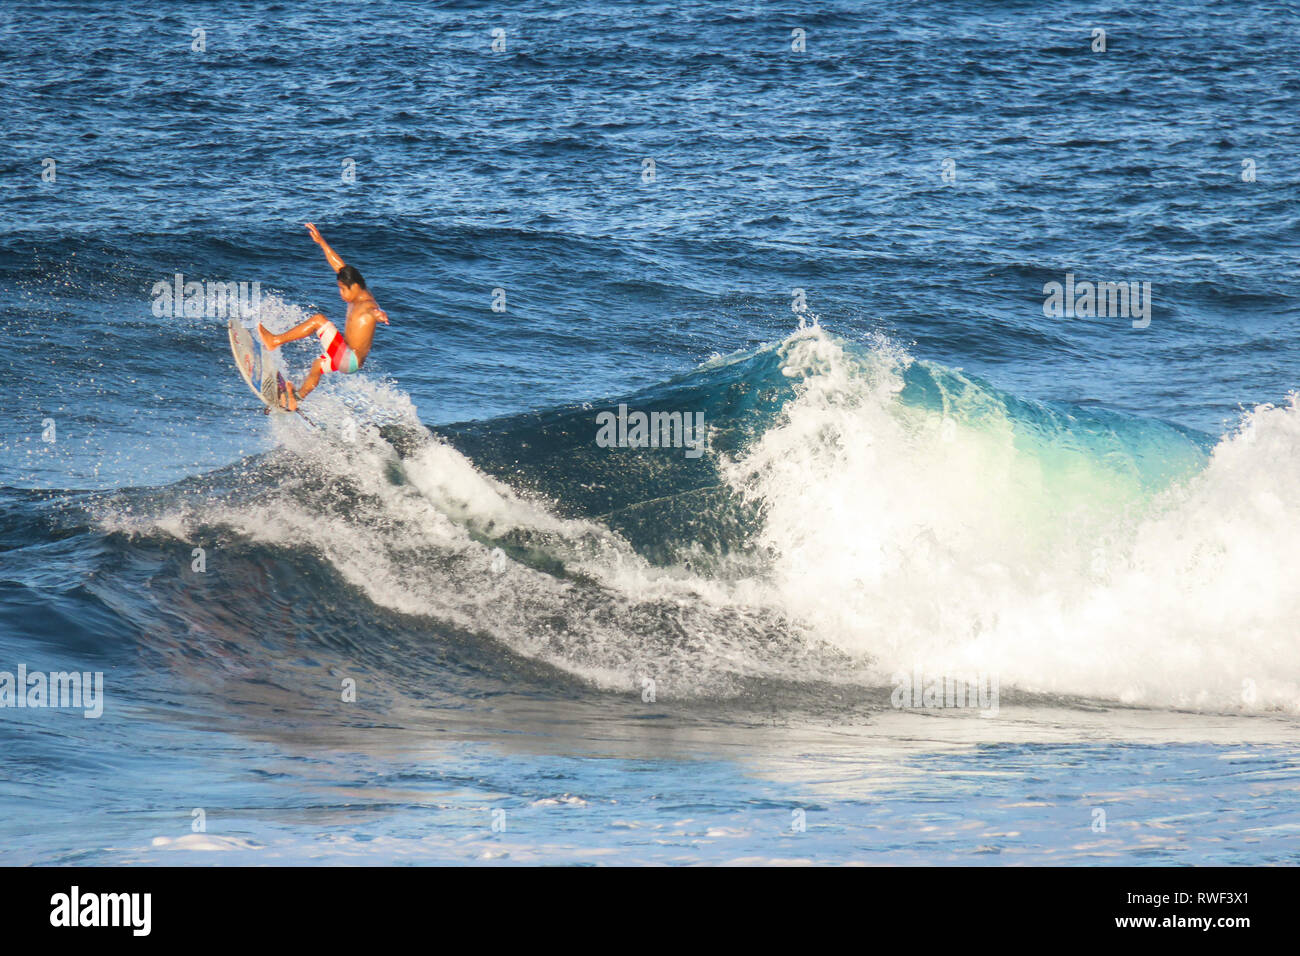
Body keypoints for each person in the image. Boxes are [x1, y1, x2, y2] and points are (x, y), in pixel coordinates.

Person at [258, 222, 388, 409]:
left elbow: (374, 312)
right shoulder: (357, 291)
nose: (340, 294)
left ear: (355, 287)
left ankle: (275, 341)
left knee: (319, 320)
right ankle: (297, 399)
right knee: (317, 366)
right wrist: (322, 243)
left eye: (343, 290)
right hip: (349, 361)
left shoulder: (367, 304)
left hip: (349, 358)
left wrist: (380, 315)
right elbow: (339, 266)